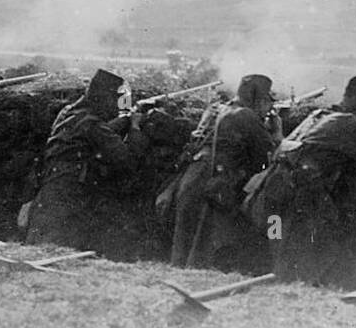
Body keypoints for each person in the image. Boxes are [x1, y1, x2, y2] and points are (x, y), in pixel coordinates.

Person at [246, 76, 356, 288]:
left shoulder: (318, 115)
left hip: (276, 189)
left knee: (284, 247)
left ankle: (282, 285)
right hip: (303, 195)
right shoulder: (350, 124)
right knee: (313, 255)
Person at [23, 69, 149, 258]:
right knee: (56, 255)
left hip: (49, 192)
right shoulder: (92, 125)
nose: (116, 106)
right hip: (70, 199)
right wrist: (134, 127)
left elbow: (92, 130)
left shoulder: (68, 114)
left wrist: (121, 121)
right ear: (104, 99)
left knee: (38, 252)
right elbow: (126, 159)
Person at [170, 74, 280, 271]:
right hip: (217, 188)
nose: (268, 108)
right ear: (260, 99)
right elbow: (267, 158)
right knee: (213, 249)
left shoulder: (219, 109)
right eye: (266, 102)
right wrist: (277, 133)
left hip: (196, 179)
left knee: (187, 250)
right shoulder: (246, 116)